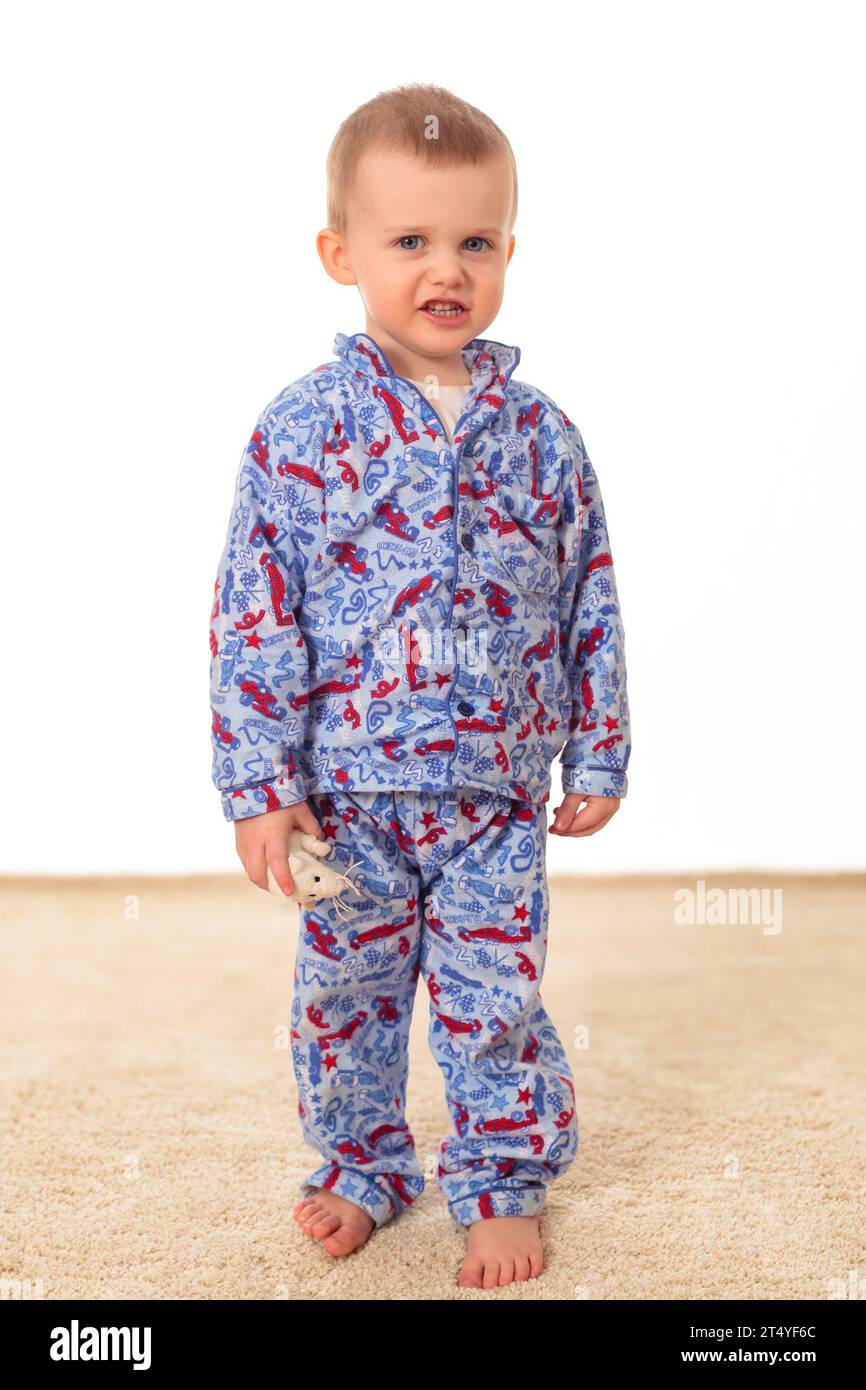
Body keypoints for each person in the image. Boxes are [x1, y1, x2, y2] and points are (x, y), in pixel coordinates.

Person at [208, 82, 631, 1290]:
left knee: (493, 994)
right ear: (340, 253)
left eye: (474, 242)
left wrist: (595, 752)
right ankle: (362, 1161)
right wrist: (257, 783)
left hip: (494, 797)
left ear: (507, 251)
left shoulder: (541, 437)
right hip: (348, 797)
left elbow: (585, 598)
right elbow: (254, 617)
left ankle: (498, 1173)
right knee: (345, 991)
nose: (444, 268)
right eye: (409, 241)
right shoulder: (299, 431)